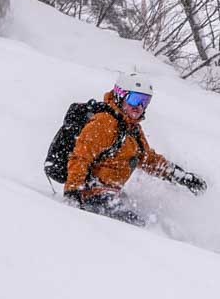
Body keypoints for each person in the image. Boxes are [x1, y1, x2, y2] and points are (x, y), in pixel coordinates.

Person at [63, 72, 206, 225]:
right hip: (91, 194)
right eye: (135, 99)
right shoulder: (104, 123)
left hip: (110, 194)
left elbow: (148, 160)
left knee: (151, 218)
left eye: (145, 102)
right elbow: (80, 157)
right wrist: (73, 192)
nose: (139, 107)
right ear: (120, 96)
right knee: (139, 226)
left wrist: (180, 176)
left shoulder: (132, 129)